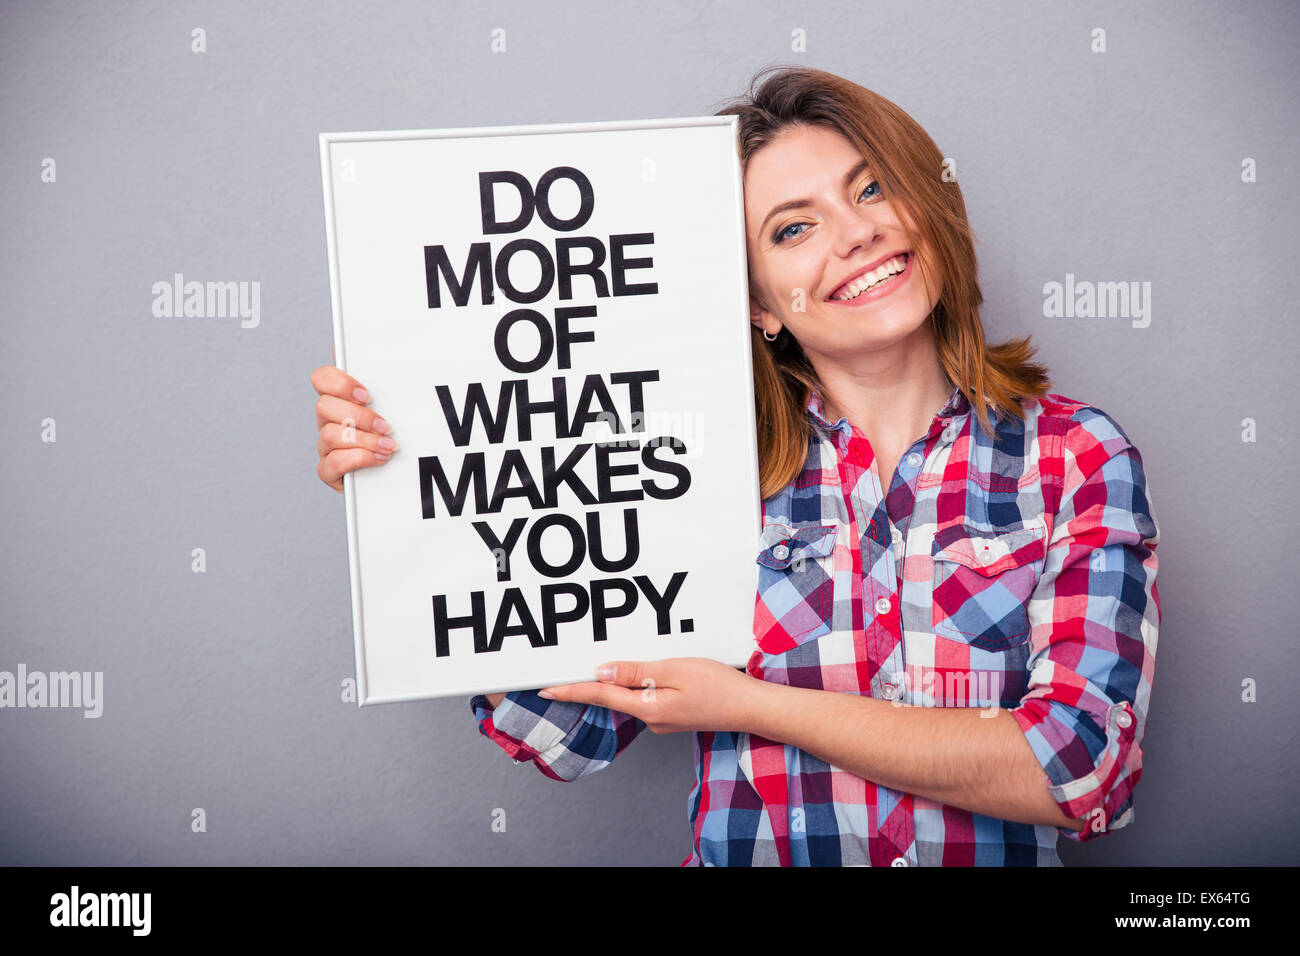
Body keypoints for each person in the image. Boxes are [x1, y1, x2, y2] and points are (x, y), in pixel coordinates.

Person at [311, 66, 1161, 866]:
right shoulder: (684, 470)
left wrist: (751, 703)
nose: (858, 232)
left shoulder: (1074, 456)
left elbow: (1078, 769)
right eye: (794, 228)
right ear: (756, 302)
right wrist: (424, 487)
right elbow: (556, 737)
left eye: (871, 188)